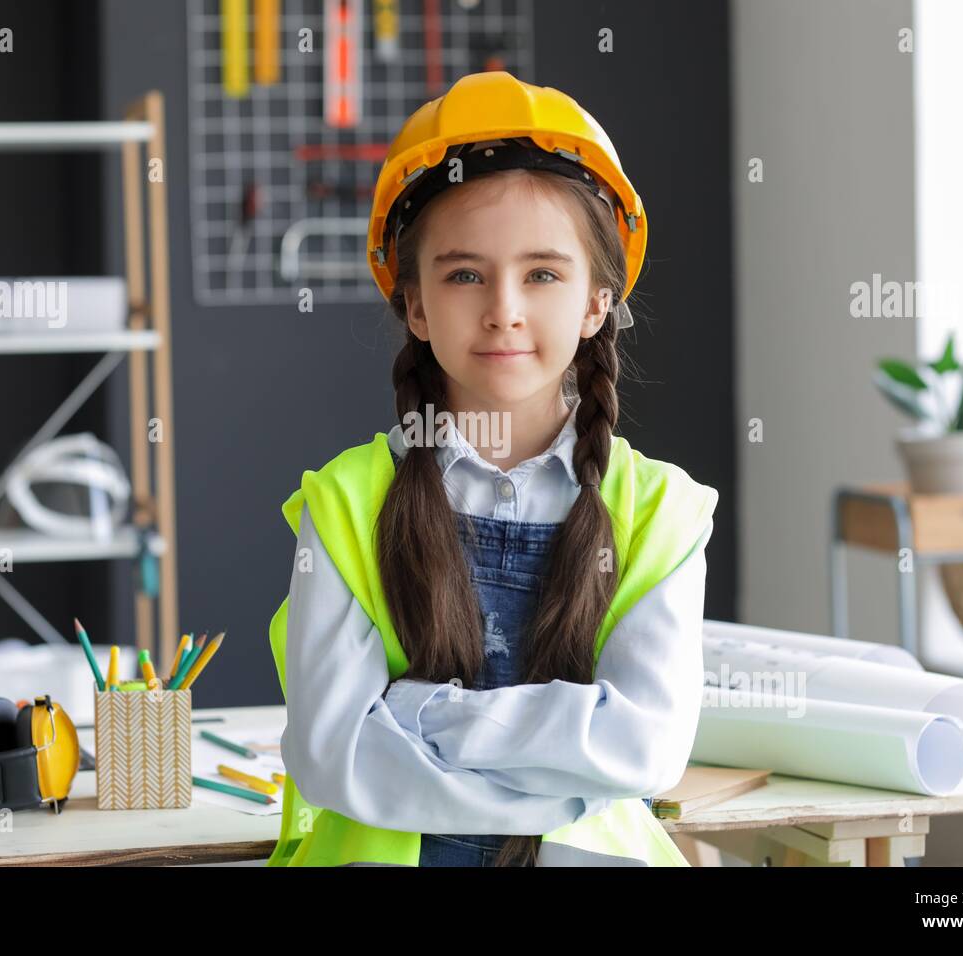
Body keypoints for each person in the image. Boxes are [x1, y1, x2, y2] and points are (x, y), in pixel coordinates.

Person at [267, 71, 718, 867]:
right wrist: (567, 765)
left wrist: (417, 718)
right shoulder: (341, 506)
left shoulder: (660, 514)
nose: (503, 307)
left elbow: (644, 752)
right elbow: (332, 756)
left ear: (594, 303)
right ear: (415, 305)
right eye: (464, 273)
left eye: (542, 274)